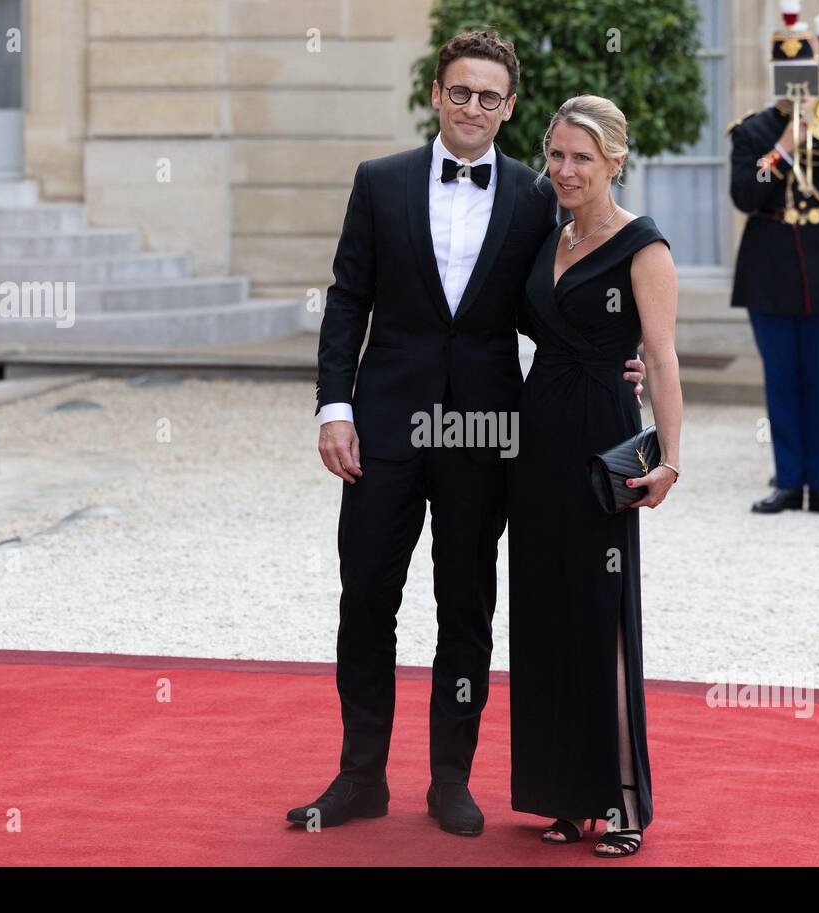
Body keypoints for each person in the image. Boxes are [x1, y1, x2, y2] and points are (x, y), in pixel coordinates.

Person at [288, 31, 645, 835]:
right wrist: (333, 408)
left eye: (489, 97)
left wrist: (619, 359)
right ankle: (360, 777)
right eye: (460, 92)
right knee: (366, 598)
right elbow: (348, 299)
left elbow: (553, 302)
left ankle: (451, 778)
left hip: (484, 430)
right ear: (437, 95)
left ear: (509, 107)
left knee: (467, 604)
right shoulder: (378, 183)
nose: (473, 107)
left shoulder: (532, 195)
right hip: (382, 424)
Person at [508, 95, 682, 859]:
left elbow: (664, 356)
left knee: (602, 615)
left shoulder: (644, 246)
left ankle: (620, 802)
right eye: (556, 155)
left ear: (616, 159)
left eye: (583, 156)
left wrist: (670, 458)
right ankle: (563, 795)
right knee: (545, 615)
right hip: (536, 437)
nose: (566, 169)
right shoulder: (548, 239)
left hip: (601, 441)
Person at [729, 9, 819, 518]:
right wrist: (784, 148)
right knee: (782, 379)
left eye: (804, 77)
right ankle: (789, 481)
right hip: (771, 269)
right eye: (788, 78)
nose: (797, 88)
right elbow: (745, 195)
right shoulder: (752, 132)